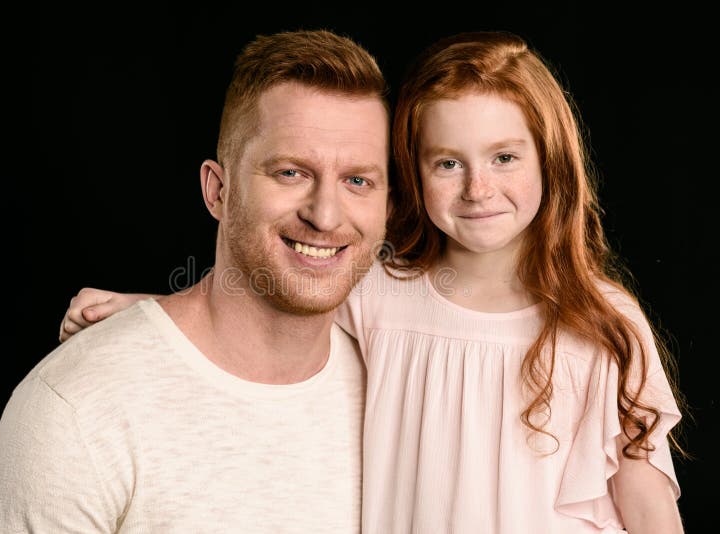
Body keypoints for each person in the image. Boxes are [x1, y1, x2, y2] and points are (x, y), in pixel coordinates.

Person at [59, 31, 687, 533]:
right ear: (410, 175)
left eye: (504, 157)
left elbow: (648, 503)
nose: (478, 188)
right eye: (448, 163)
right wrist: (151, 310)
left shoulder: (599, 320)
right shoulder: (385, 291)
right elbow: (268, 305)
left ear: (548, 157)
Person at [0, 29, 392, 533]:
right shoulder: (78, 409)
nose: (326, 216)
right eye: (290, 173)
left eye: (357, 181)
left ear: (388, 208)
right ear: (217, 190)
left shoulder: (400, 391)